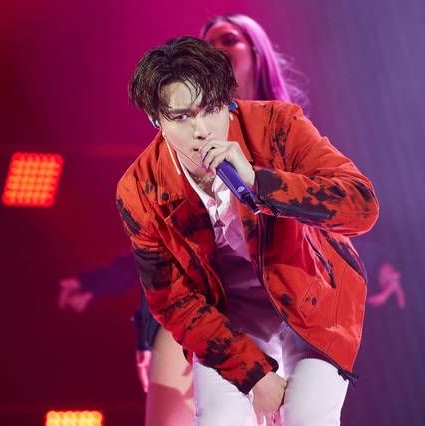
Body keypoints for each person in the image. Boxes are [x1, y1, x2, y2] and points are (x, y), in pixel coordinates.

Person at [117, 36, 379, 425]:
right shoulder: (140, 189)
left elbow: (361, 206)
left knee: (307, 415)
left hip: (310, 295)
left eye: (211, 109)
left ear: (228, 101)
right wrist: (255, 376)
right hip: (229, 316)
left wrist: (261, 184)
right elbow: (172, 299)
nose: (201, 130)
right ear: (157, 120)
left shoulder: (277, 125)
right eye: (181, 117)